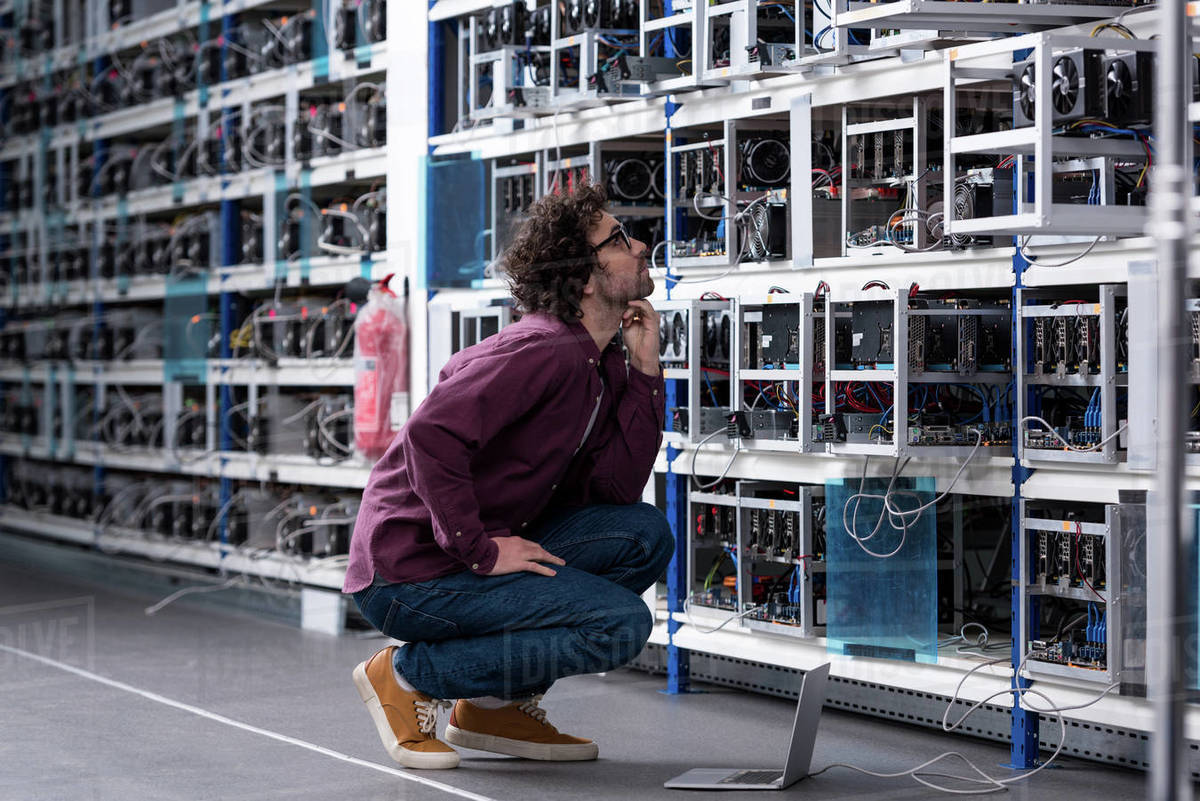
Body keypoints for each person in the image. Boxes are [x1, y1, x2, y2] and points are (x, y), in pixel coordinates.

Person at [344, 183, 675, 770]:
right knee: (619, 626)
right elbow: (430, 436)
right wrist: (480, 551)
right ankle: (406, 675)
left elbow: (617, 491)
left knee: (642, 535)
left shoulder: (599, 360)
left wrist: (646, 371)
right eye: (620, 239)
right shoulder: (541, 350)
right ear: (585, 277)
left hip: (465, 549)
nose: (640, 246)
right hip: (408, 572)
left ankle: (493, 706)